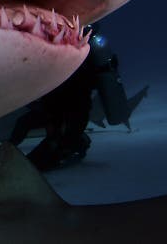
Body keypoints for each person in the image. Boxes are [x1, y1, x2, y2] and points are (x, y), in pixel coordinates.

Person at [10, 22, 126, 171]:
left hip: (73, 110)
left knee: (37, 162)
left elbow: (88, 85)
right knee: (23, 122)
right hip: (52, 107)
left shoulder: (83, 55)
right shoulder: (54, 54)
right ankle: (7, 149)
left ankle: (76, 143)